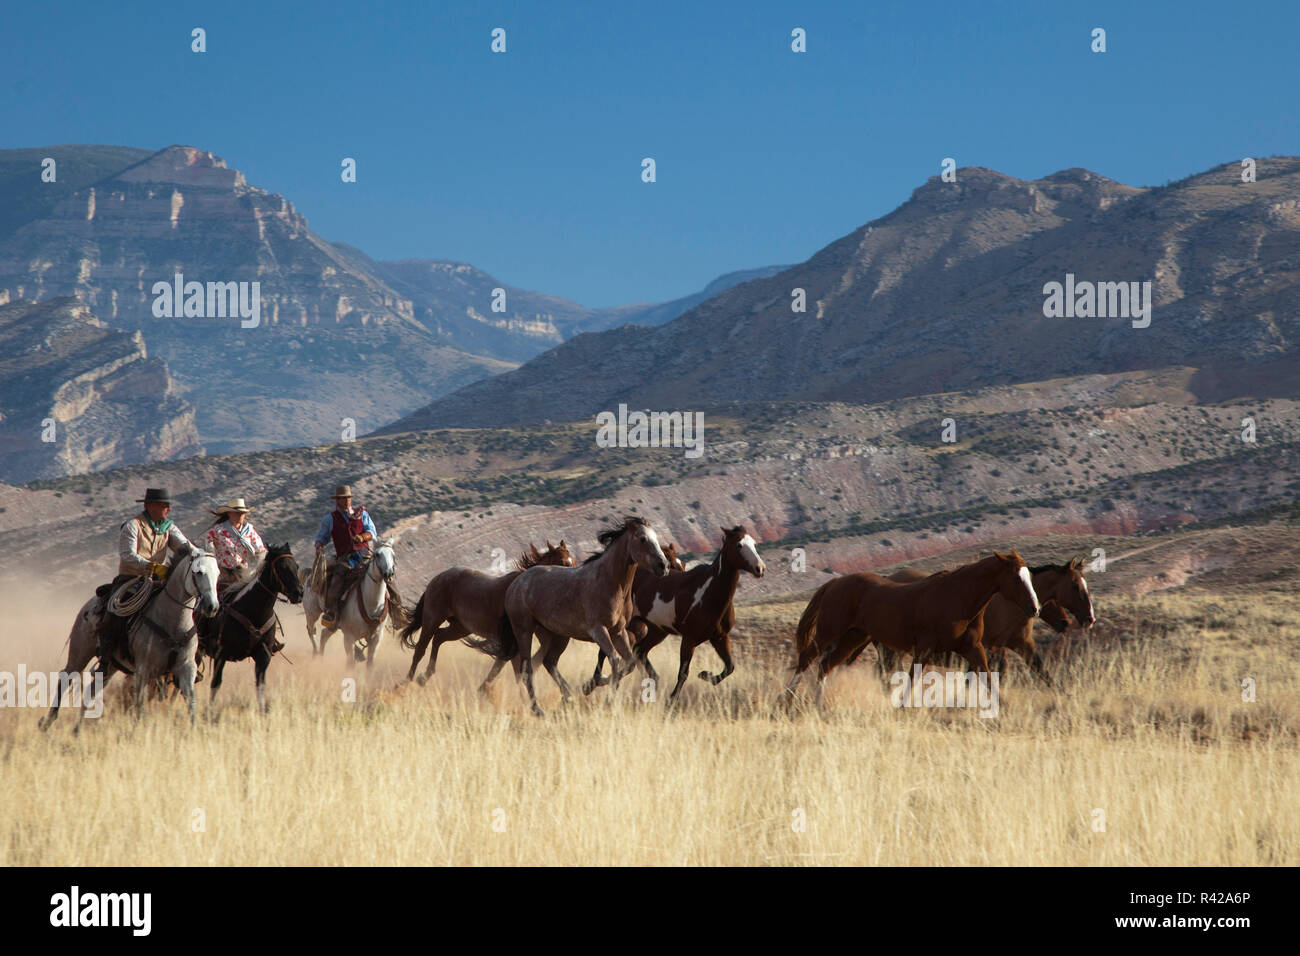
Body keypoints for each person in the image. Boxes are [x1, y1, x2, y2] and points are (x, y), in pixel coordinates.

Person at [98, 487, 193, 671]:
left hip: (158, 582)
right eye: (164, 505)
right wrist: (151, 566)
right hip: (130, 580)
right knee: (115, 611)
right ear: (150, 506)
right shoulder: (132, 525)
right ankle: (106, 656)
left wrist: (198, 555)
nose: (168, 509)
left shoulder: (169, 527)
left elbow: (184, 547)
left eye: (168, 505)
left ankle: (189, 658)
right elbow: (127, 554)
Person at [314, 485, 378, 629]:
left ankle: (397, 610)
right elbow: (322, 537)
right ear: (338, 500)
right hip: (346, 558)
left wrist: (362, 537)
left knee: (385, 573)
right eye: (343, 498)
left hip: (365, 555)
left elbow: (372, 533)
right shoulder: (330, 519)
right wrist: (319, 545)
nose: (347, 500)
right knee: (337, 579)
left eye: (348, 497)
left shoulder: (362, 514)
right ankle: (331, 613)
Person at [204, 497, 267, 591]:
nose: (240, 515)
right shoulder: (218, 530)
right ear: (229, 513)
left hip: (243, 575)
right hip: (222, 574)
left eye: (242, 513)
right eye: (237, 513)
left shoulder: (250, 531)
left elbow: (261, 551)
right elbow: (202, 545)